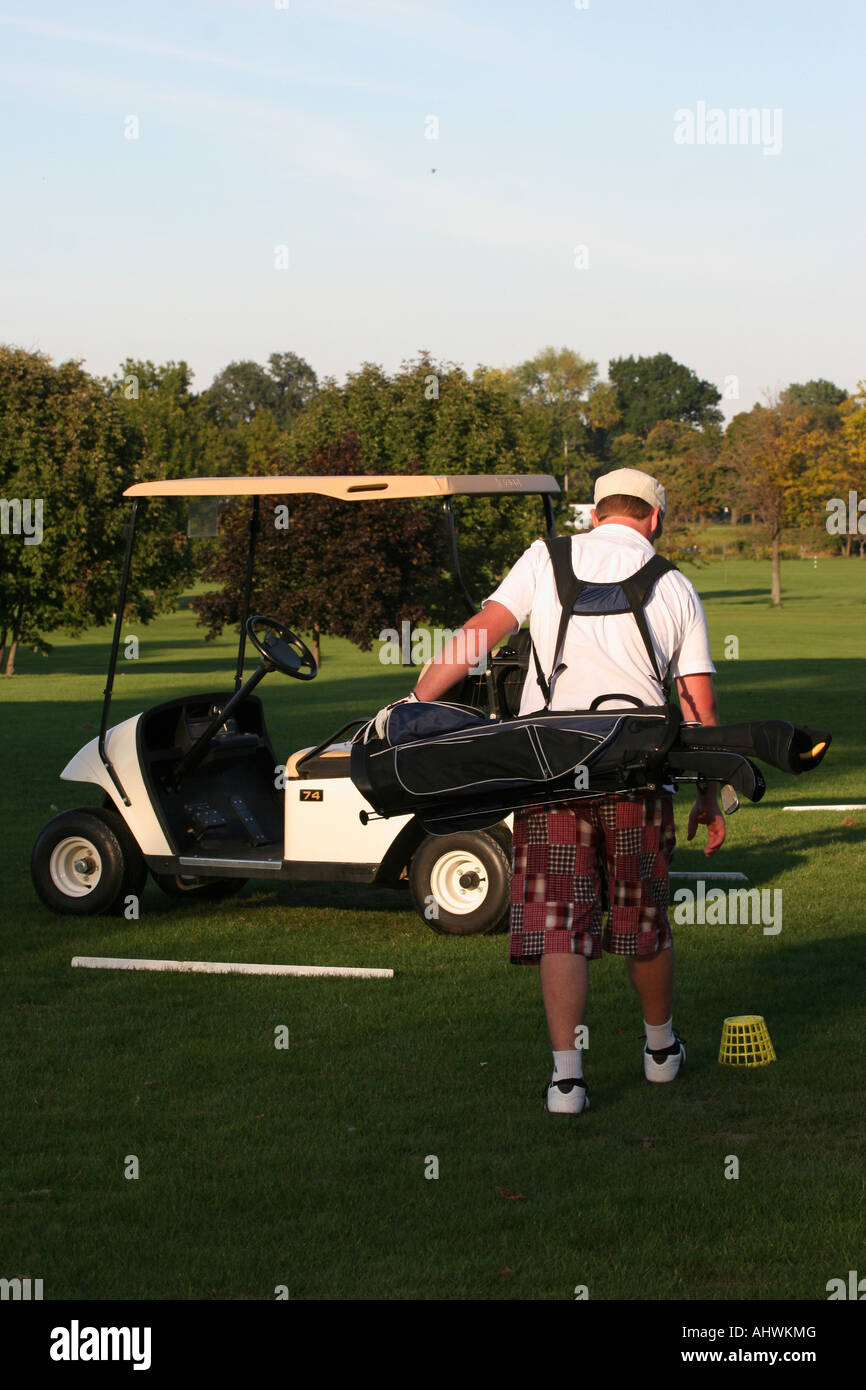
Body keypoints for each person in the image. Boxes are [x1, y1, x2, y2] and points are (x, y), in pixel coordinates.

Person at [372, 467, 725, 1114]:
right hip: (638, 774)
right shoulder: (674, 582)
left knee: (560, 925)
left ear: (596, 514)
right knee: (642, 918)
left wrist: (414, 705)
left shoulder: (546, 557)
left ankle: (568, 1081)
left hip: (549, 771)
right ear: (655, 519)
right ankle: (659, 1052)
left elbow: (483, 632)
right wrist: (711, 793)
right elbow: (697, 704)